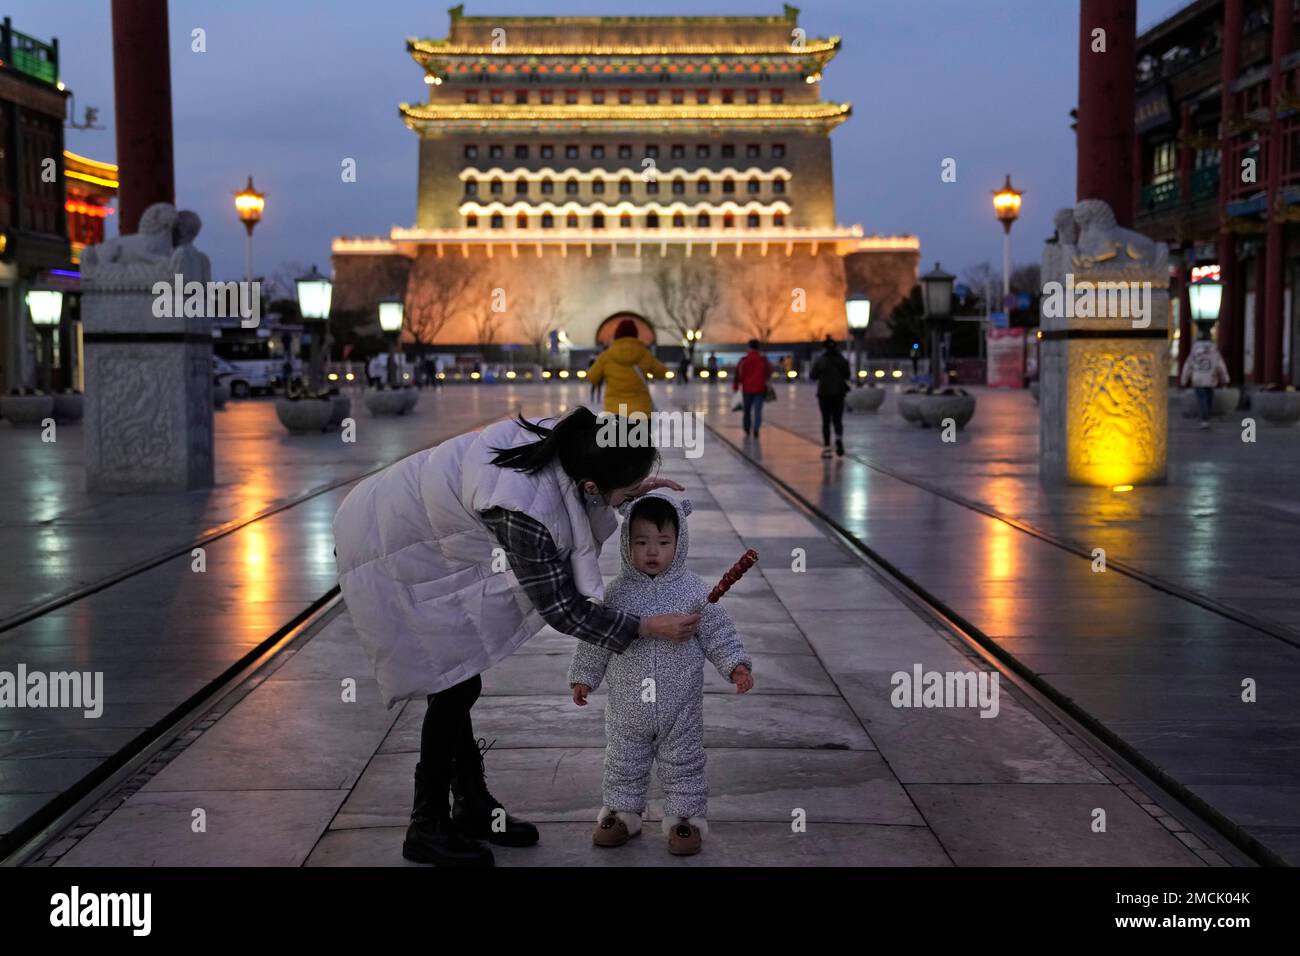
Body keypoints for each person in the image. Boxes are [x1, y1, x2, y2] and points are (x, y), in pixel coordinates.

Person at [332, 408, 700, 867]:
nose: (625, 500)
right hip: (382, 545)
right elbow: (563, 608)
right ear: (591, 486)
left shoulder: (572, 442)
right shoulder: (522, 508)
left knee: (460, 680)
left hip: (405, 524)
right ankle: (425, 826)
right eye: (621, 493)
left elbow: (580, 498)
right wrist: (645, 626)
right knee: (450, 684)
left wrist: (627, 489)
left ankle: (469, 805)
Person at [569, 493, 752, 856]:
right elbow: (597, 638)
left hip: (679, 705)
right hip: (627, 706)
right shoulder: (617, 594)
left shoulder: (695, 593)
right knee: (623, 760)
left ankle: (686, 819)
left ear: (679, 543)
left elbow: (719, 633)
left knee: (684, 762)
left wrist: (736, 666)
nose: (652, 552)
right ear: (627, 544)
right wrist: (584, 676)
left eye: (663, 542)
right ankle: (621, 813)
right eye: (641, 543)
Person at [586, 319, 667, 416]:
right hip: (641, 412)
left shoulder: (606, 356)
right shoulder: (645, 354)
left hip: (614, 413)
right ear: (635, 335)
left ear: (617, 335)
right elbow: (663, 373)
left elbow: (592, 378)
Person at [1179, 325, 1230, 429]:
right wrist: (1225, 379)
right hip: (1210, 379)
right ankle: (1206, 417)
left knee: (1202, 399)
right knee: (1208, 399)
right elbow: (1220, 366)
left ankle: (1204, 419)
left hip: (1198, 379)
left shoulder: (1194, 352)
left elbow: (1188, 366)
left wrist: (1184, 380)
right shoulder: (1214, 352)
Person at [810, 335, 851, 458]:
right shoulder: (841, 359)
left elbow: (813, 375)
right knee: (838, 420)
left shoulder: (820, 360)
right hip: (839, 393)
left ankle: (827, 447)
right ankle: (838, 438)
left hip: (824, 394)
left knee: (826, 421)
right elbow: (847, 375)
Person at [733, 339, 773, 437]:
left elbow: (738, 374)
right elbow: (768, 372)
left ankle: (747, 428)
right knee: (758, 410)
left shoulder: (744, 360)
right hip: (760, 389)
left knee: (747, 410)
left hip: (747, 389)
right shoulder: (763, 360)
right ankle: (756, 429)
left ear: (749, 347)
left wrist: (736, 386)